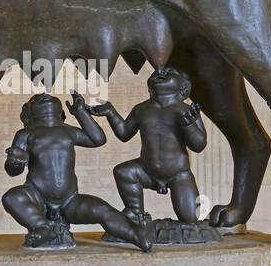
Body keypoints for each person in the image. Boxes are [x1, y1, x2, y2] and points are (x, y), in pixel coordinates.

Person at [2, 92, 153, 252]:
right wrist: (16, 161)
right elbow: (12, 171)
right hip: (37, 195)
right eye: (37, 99)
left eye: (47, 96)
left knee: (102, 209)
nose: (44, 95)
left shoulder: (69, 131)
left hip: (70, 200)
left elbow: (97, 139)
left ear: (61, 112)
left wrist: (81, 112)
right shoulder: (26, 134)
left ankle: (138, 236)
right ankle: (42, 227)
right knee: (12, 197)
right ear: (29, 113)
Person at [88, 66, 207, 226]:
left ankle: (187, 218)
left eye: (171, 72)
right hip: (146, 170)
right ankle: (136, 212)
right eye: (156, 72)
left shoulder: (185, 111)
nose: (160, 72)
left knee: (190, 219)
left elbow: (198, 145)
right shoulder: (141, 109)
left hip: (178, 173)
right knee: (124, 172)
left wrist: (189, 125)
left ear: (183, 88)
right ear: (149, 87)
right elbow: (124, 133)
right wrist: (111, 112)